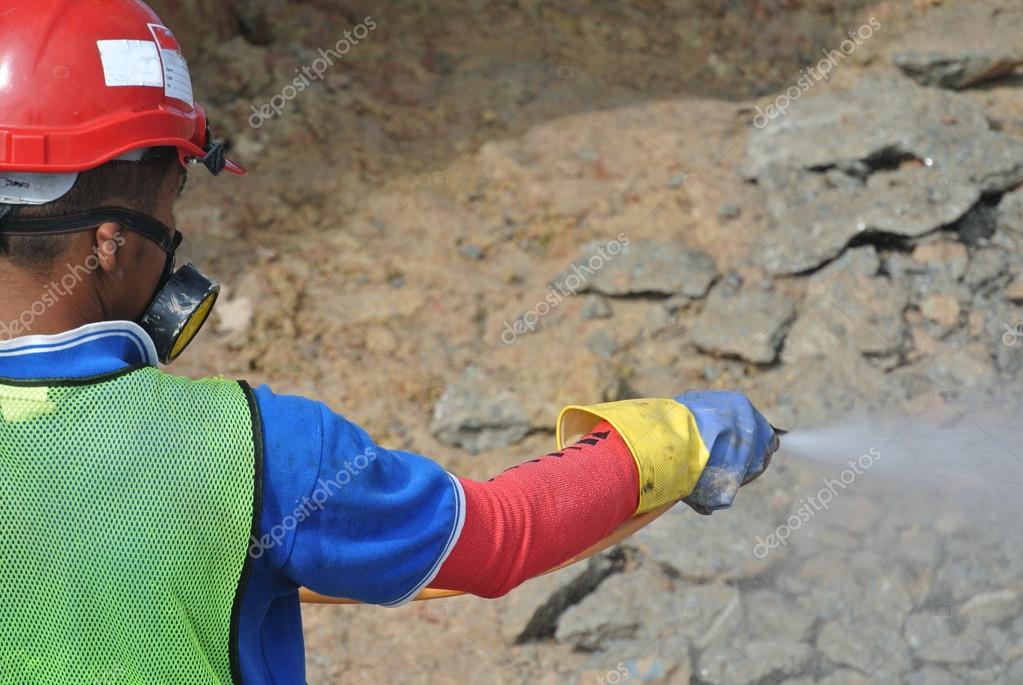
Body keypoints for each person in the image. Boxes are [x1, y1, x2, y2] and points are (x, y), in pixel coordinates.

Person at [0, 2, 779, 683]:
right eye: (172, 198)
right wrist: (671, 439)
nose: (174, 235)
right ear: (108, 245)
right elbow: (500, 536)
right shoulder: (260, 450)